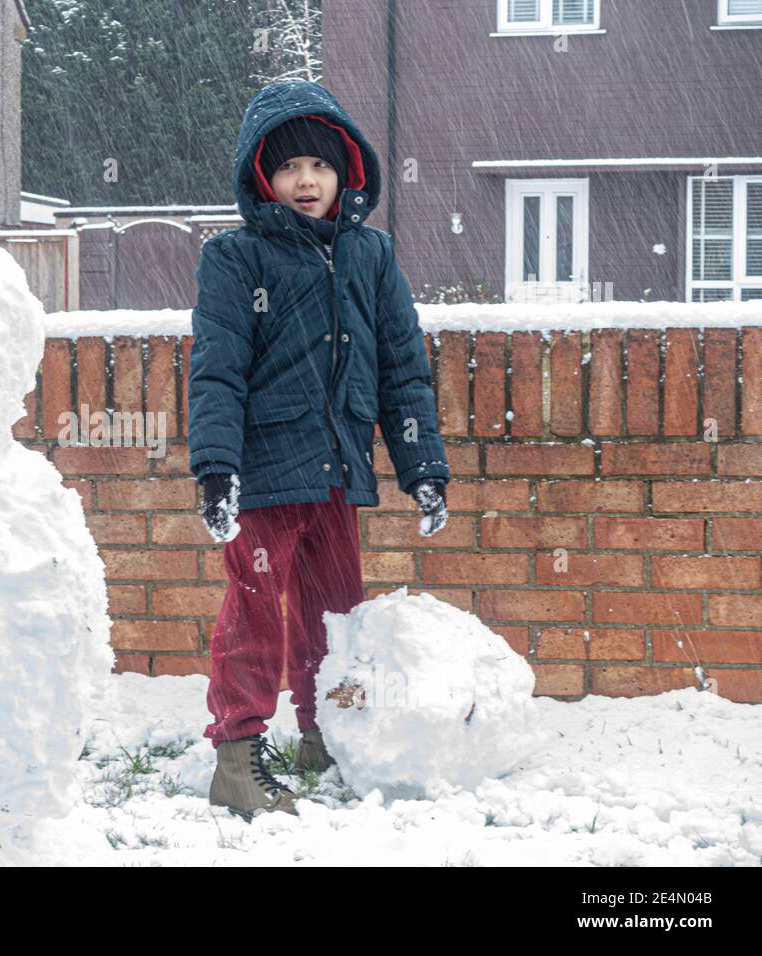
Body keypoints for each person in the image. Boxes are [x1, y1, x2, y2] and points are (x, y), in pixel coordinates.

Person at [187, 80, 451, 821]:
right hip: (265, 475)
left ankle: (323, 737)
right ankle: (238, 758)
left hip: (337, 473)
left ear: (347, 174)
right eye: (290, 167)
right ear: (262, 177)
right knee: (255, 614)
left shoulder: (369, 256)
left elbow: (402, 368)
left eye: (321, 166)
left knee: (334, 621)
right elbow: (217, 367)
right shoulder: (236, 259)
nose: (306, 181)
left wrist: (423, 468)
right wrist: (217, 469)